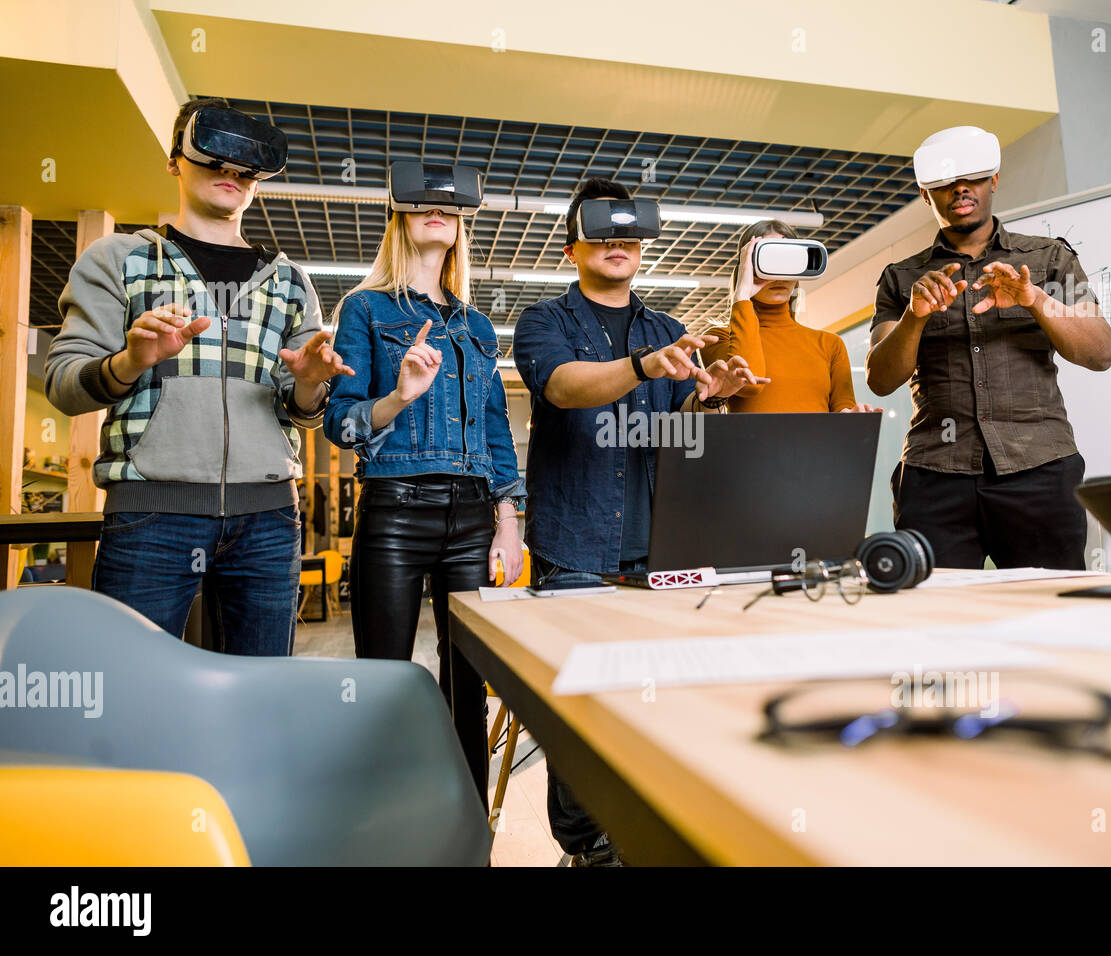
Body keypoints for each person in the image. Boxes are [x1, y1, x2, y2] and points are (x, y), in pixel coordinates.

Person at [513, 177, 765, 865]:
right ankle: (588, 848)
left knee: (654, 701)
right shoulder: (544, 323)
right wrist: (641, 366)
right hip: (574, 541)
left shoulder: (668, 333)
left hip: (658, 547)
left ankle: (644, 834)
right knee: (581, 708)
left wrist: (709, 401)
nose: (620, 242)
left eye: (631, 233)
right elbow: (565, 389)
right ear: (573, 248)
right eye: (604, 231)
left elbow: (678, 439)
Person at [44, 97, 349, 654]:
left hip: (268, 520)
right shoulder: (119, 259)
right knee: (133, 689)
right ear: (174, 160)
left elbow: (305, 411)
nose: (230, 174)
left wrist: (308, 385)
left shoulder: (289, 282)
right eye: (213, 158)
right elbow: (63, 384)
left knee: (260, 693)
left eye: (244, 166)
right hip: (151, 518)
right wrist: (130, 361)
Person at [323, 161, 525, 803]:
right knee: (384, 678)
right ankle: (385, 819)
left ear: (461, 222)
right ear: (400, 216)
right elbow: (341, 423)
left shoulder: (477, 323)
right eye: (421, 203)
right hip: (395, 510)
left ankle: (462, 822)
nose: (436, 210)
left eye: (448, 205)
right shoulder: (363, 308)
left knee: (468, 679)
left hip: (471, 515)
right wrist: (399, 397)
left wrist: (508, 519)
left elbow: (495, 427)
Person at [866, 125, 1111, 570]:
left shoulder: (1049, 259)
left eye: (973, 177)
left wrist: (1035, 300)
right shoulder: (900, 279)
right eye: (944, 182)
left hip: (1039, 468)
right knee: (935, 615)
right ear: (926, 195)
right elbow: (881, 379)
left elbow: (1100, 353)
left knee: (1049, 612)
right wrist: (914, 316)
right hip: (934, 474)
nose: (960, 188)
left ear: (993, 181)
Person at [702, 219, 875, 413]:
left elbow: (843, 410)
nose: (780, 275)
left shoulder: (830, 345)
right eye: (770, 261)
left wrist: (851, 417)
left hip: (815, 444)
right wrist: (741, 296)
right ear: (746, 268)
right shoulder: (718, 338)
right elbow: (750, 382)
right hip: (753, 444)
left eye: (789, 261)